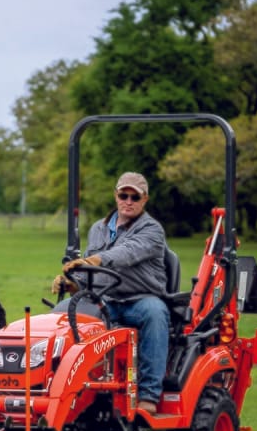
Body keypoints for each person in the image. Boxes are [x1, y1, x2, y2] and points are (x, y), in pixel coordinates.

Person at [52, 171, 171, 416]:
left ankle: (148, 394)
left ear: (144, 199)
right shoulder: (99, 228)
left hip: (140, 298)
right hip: (105, 299)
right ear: (115, 196)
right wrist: (71, 284)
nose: (128, 201)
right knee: (61, 313)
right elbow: (88, 275)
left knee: (155, 314)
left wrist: (96, 259)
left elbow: (127, 253)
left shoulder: (152, 230)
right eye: (123, 195)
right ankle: (55, 383)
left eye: (134, 197)